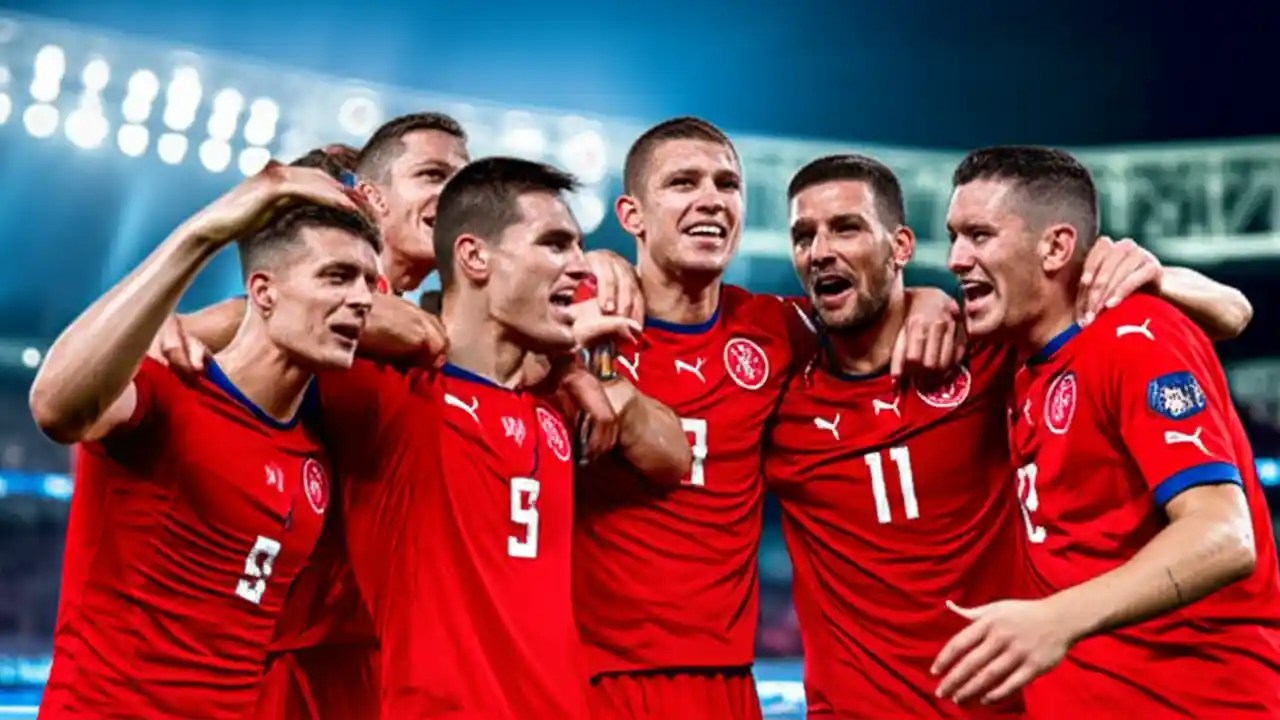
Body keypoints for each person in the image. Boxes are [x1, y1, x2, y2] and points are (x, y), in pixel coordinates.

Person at [764, 154, 1254, 718]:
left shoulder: (992, 350)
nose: (820, 249)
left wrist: (1158, 275)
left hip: (1019, 705)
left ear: (900, 248)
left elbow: (1229, 315)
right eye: (803, 235)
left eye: (845, 227)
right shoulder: (776, 380)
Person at [573, 117, 968, 720]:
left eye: (727, 184)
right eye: (683, 182)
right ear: (631, 215)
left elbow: (870, 317)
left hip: (726, 682)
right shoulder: (576, 315)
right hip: (591, 676)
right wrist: (593, 265)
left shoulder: (780, 330)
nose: (711, 198)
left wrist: (930, 300)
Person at [308, 157, 691, 718]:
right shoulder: (391, 393)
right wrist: (185, 328)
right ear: (474, 256)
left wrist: (595, 374)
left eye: (580, 247)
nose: (580, 267)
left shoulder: (554, 400)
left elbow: (672, 460)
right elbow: (275, 319)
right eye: (555, 244)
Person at [932, 146, 1280, 718]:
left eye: (979, 235)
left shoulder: (1136, 337)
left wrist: (1054, 619)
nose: (955, 258)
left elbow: (1224, 535)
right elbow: (1233, 311)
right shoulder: (1017, 358)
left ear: (1057, 247)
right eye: (954, 237)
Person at [29, 165, 380, 718]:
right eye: (337, 276)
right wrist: (206, 232)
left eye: (368, 281)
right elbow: (53, 407)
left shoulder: (315, 460)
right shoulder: (166, 391)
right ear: (262, 292)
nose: (361, 299)